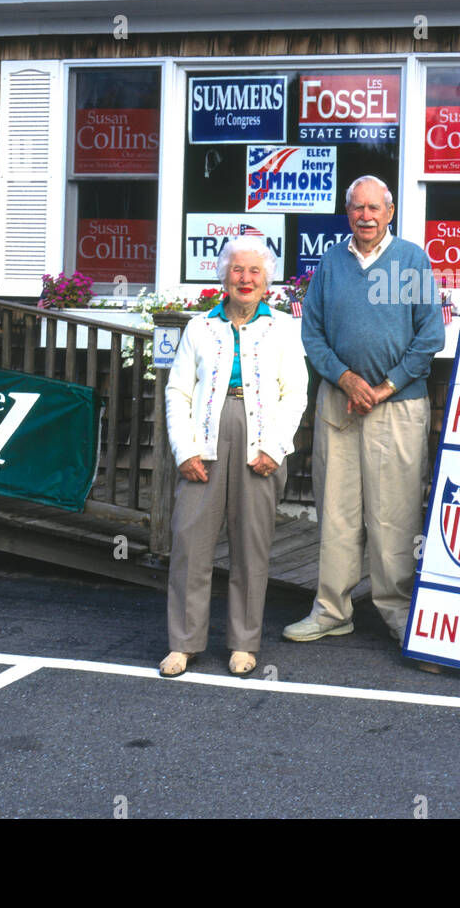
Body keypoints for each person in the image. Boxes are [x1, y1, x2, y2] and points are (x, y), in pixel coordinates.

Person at [283, 175, 445, 649]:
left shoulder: (412, 260)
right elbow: (311, 334)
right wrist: (346, 379)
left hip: (398, 406)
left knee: (393, 513)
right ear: (348, 212)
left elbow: (429, 336)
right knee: (336, 511)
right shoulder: (332, 262)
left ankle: (396, 610)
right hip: (339, 403)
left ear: (390, 212)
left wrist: (385, 385)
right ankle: (332, 610)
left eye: (375, 208)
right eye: (358, 208)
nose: (366, 216)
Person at [160, 235, 308, 678]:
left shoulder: (283, 327)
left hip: (260, 437)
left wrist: (275, 447)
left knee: (251, 546)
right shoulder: (199, 327)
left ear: (268, 281)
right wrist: (184, 449)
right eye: (238, 270)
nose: (246, 279)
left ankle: (244, 643)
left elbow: (295, 393)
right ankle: (183, 643)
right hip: (205, 436)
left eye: (255, 271)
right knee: (190, 543)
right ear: (223, 276)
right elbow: (178, 390)